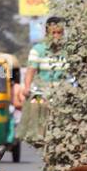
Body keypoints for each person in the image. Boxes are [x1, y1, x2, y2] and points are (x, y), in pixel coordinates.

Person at [17, 16, 67, 146]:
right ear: (47, 33)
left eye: (59, 33)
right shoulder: (38, 50)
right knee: (36, 102)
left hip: (63, 93)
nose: (56, 36)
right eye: (53, 33)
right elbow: (30, 72)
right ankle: (36, 135)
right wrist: (27, 87)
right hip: (42, 92)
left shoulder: (69, 51)